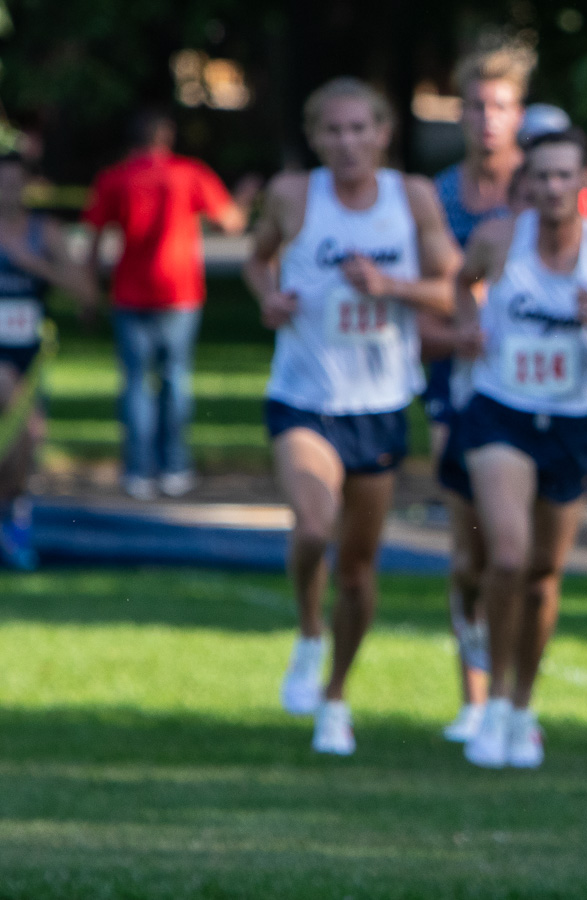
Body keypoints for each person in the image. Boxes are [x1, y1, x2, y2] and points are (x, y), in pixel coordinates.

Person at [243, 78, 459, 755]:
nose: (347, 143)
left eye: (359, 128)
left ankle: (335, 697)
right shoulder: (292, 194)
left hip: (381, 404)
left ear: (383, 133)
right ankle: (309, 632)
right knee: (314, 524)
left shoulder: (412, 197)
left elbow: (455, 290)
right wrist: (269, 298)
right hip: (304, 397)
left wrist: (391, 285)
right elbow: (256, 259)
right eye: (333, 131)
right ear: (314, 138)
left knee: (359, 570)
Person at [453, 128, 587, 769]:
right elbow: (459, 284)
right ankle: (492, 704)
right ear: (525, 182)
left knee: (543, 576)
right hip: (500, 411)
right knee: (509, 556)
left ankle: (522, 707)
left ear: (584, 179)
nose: (550, 187)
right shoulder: (498, 239)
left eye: (562, 175)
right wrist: (468, 327)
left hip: (573, 421)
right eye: (540, 175)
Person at [422, 45, 532, 745]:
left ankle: (512, 696)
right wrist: (457, 321)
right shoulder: (438, 195)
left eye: (500, 105)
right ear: (459, 114)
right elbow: (433, 286)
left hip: (533, 389)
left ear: (518, 114)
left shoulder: (551, 183)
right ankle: (472, 692)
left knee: (515, 554)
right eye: (475, 106)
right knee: (469, 554)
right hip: (457, 383)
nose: (487, 118)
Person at [82, 109, 249, 500]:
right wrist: (244, 195)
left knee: (136, 382)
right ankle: (174, 466)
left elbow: (93, 240)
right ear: (167, 138)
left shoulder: (115, 177)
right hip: (179, 291)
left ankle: (138, 470)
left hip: (129, 292)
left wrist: (89, 293)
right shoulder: (188, 173)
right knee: (175, 378)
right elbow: (231, 222)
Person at [0, 153, 92, 567]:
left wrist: (34, 264)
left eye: (15, 183)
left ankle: (13, 515)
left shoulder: (45, 232)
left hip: (30, 355)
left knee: (27, 441)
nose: (8, 192)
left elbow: (85, 292)